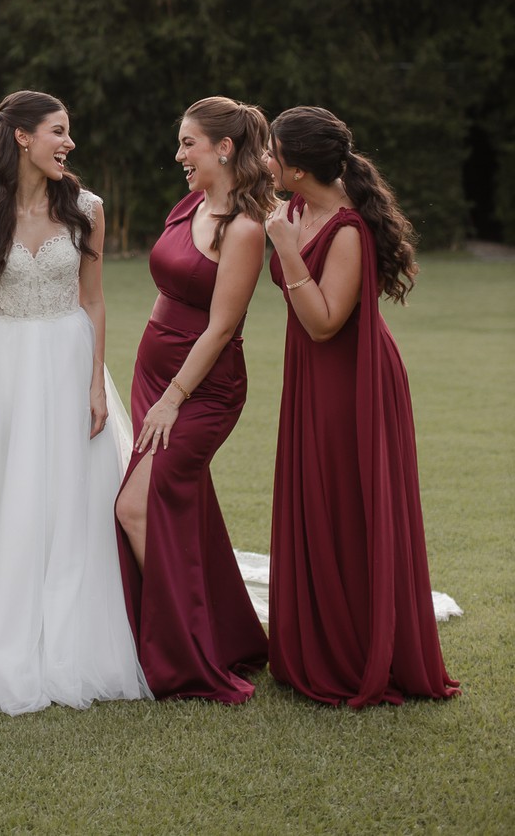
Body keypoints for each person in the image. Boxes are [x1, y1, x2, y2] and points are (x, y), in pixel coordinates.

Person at [0, 90, 148, 714]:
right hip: (5, 362)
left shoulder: (86, 208)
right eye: (58, 131)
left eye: (68, 133)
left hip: (70, 360)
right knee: (6, 500)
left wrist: (97, 382)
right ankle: (5, 636)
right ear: (22, 136)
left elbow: (94, 299)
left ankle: (74, 639)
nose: (68, 143)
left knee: (73, 501)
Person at [264, 106, 459, 707]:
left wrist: (285, 248)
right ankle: (315, 643)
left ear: (297, 168)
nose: (265, 160)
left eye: (272, 152)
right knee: (320, 502)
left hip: (352, 383)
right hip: (312, 381)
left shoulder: (346, 229)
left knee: (348, 506)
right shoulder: (297, 205)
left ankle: (354, 652)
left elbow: (324, 324)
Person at [115, 96, 272, 702]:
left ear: (223, 148)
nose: (179, 154)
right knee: (186, 507)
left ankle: (191, 655)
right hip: (153, 376)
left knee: (134, 508)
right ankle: (231, 635)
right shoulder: (188, 206)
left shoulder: (246, 228)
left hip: (200, 388)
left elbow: (221, 327)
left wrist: (173, 399)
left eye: (189, 144)